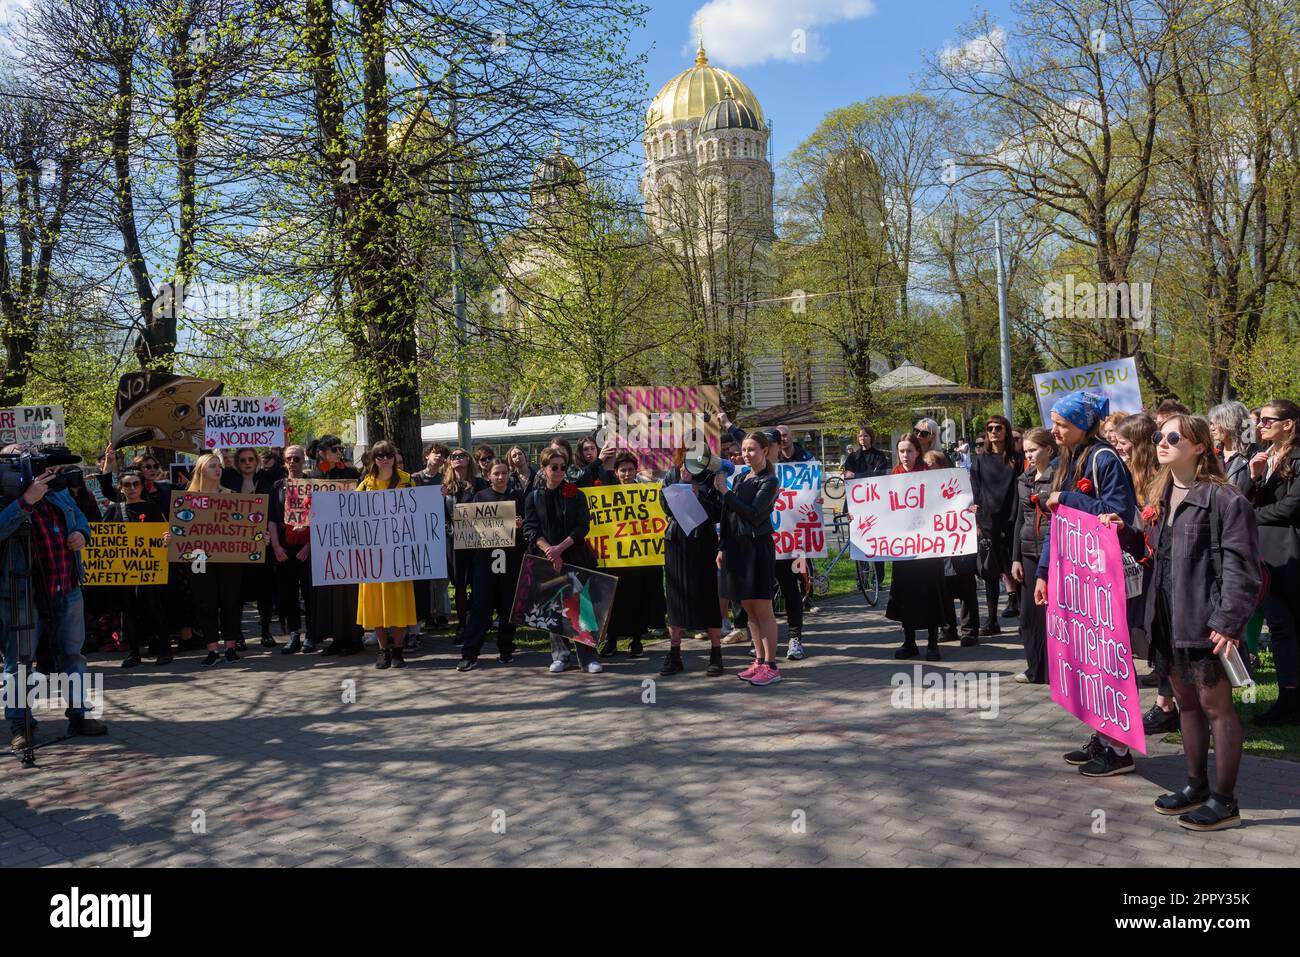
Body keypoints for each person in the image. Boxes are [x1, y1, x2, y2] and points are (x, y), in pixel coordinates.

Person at [1106, 414, 1260, 830]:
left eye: (1173, 437)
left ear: (1198, 446)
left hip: (1206, 621)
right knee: (1187, 705)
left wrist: (1228, 623)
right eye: (1159, 435)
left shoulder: (1224, 499)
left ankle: (1226, 802)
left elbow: (1243, 569)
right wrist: (1127, 531)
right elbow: (1158, 553)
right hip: (1167, 619)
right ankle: (1196, 786)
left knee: (1217, 709)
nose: (1162, 442)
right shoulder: (1162, 493)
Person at [1034, 391, 1139, 776]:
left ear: (1082, 425)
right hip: (1075, 573)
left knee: (1105, 658)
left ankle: (1119, 749)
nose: (1054, 430)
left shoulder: (1104, 459)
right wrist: (1044, 572)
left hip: (1101, 576)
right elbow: (1056, 525)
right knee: (1086, 660)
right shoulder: (1068, 459)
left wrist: (1067, 498)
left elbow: (1118, 513)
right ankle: (1102, 735)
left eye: (1062, 424)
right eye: (1055, 423)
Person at [1, 454, 108, 749]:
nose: (48, 472)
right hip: (21, 591)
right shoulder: (7, 492)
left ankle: (81, 714)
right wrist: (27, 501)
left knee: (73, 654)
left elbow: (81, 518)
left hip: (66, 584)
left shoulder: (58, 489)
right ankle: (20, 725)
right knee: (18, 662)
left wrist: (80, 534)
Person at [523, 449, 603, 674]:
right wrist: (549, 550)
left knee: (581, 607)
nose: (559, 471)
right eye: (554, 467)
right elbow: (531, 528)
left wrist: (560, 548)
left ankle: (588, 657)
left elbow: (582, 526)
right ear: (544, 469)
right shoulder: (533, 497)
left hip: (575, 555)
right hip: (547, 559)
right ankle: (561, 655)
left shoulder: (576, 494)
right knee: (553, 607)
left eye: (562, 467)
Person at [1246, 399, 1300, 725]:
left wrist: (1249, 517)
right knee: (1282, 625)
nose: (1261, 425)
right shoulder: (1264, 456)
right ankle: (1290, 698)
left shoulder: (1297, 456)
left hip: (1290, 551)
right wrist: (1254, 477)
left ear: (1289, 424)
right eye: (1261, 421)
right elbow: (1255, 498)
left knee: (1284, 625)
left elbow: (1291, 507)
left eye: (1268, 421)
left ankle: (1290, 700)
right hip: (1268, 552)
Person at [717, 433, 781, 685]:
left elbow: (753, 514)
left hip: (756, 548)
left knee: (762, 608)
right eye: (743, 450)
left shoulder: (769, 481)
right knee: (749, 609)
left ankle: (772, 665)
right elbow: (728, 516)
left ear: (765, 451)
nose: (746, 454)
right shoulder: (742, 477)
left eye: (751, 449)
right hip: (736, 548)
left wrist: (726, 492)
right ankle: (759, 660)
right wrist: (722, 547)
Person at [658, 459, 727, 677]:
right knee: (675, 598)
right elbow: (665, 507)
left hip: (703, 542)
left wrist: (699, 497)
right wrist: (681, 484)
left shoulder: (711, 476)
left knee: (708, 596)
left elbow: (719, 511)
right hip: (677, 542)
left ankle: (716, 653)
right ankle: (674, 653)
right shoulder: (672, 474)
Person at [1208, 401, 1264, 665]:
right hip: (1214, 534)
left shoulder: (1255, 455)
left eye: (1215, 422)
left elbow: (1250, 498)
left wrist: (1253, 477)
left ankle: (1249, 654)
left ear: (1229, 423)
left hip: (1243, 534)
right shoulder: (1213, 455)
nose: (1211, 428)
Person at [456, 461, 525, 671]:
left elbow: (528, 525)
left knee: (507, 608)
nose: (501, 477)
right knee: (480, 608)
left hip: (510, 562)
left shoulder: (518, 497)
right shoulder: (480, 497)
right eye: (496, 474)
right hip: (485, 562)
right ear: (489, 476)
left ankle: (506, 649)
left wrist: (520, 525)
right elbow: (468, 528)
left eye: (504, 473)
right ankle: (470, 653)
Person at [102, 468, 173, 667]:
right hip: (125, 569)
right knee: (128, 610)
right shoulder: (114, 510)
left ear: (142, 486)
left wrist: (167, 538)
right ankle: (133, 653)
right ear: (121, 488)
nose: (132, 488)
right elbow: (103, 537)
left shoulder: (152, 508)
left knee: (154, 606)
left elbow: (165, 532)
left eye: (136, 484)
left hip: (149, 568)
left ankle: (164, 650)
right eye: (127, 484)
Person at [356, 441, 417, 669]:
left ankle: (399, 649)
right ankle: (383, 650)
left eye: (388, 455)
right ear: (373, 458)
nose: (384, 459)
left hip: (399, 553)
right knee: (376, 604)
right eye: (379, 455)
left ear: (394, 456)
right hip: (373, 554)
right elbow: (350, 513)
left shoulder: (406, 479)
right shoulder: (366, 483)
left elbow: (419, 509)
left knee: (398, 602)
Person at [183, 453, 247, 668]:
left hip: (228, 556)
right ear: (202, 470)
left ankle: (230, 647)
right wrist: (172, 537)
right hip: (198, 557)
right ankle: (212, 649)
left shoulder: (232, 496)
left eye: (219, 466)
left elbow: (244, 528)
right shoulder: (187, 499)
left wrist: (258, 537)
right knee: (205, 601)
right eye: (212, 466)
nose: (218, 470)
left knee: (231, 601)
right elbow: (182, 529)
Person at [886, 434, 945, 661]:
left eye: (909, 451)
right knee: (905, 593)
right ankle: (909, 642)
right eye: (901, 451)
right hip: (904, 548)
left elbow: (944, 502)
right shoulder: (894, 476)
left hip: (928, 547)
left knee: (930, 593)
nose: (905, 455)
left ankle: (932, 643)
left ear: (917, 452)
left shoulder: (928, 475)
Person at [307, 436, 363, 656]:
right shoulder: (313, 477)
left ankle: (354, 639)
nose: (340, 451)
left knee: (349, 591)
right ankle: (337, 639)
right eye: (335, 449)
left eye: (341, 448)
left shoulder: (350, 475)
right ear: (322, 452)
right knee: (329, 592)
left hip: (349, 540)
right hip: (325, 542)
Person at [600, 452, 659, 658]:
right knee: (614, 600)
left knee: (638, 599)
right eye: (622, 470)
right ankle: (612, 640)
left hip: (639, 557)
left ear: (636, 471)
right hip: (615, 557)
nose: (627, 474)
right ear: (616, 473)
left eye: (630, 470)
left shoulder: (646, 492)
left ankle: (636, 640)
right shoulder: (606, 495)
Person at [970, 414, 1023, 633]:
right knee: (990, 574)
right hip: (988, 523)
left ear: (1006, 431)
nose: (993, 431)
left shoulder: (1017, 459)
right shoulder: (980, 460)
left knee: (1018, 572)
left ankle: (1024, 620)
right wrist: (976, 521)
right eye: (990, 428)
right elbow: (975, 491)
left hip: (1013, 522)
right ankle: (991, 620)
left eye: (998, 428)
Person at [1010, 428, 1056, 683]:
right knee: (1029, 616)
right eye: (1026, 450)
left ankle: (1054, 669)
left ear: (1048, 449)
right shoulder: (1023, 478)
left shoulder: (1059, 476)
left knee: (1051, 613)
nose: (1028, 454)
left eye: (1033, 449)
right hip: (1028, 550)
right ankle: (1034, 668)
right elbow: (1019, 518)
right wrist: (1015, 557)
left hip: (1053, 550)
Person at [223, 447, 279, 649]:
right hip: (236, 546)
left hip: (262, 543)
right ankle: (237, 635)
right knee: (236, 593)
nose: (247, 463)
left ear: (257, 461)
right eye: (243, 460)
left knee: (264, 591)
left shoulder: (266, 479)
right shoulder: (228, 479)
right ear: (237, 462)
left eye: (251, 459)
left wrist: (284, 432)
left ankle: (265, 631)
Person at [442, 448, 488, 640]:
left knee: (478, 584)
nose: (458, 459)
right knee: (459, 585)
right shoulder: (444, 488)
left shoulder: (481, 484)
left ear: (469, 460)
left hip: (479, 542)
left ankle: (477, 624)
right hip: (455, 542)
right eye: (454, 456)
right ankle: (462, 624)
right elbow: (441, 517)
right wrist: (453, 532)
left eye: (462, 456)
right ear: (450, 462)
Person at [271, 445, 314, 654]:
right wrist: (277, 547)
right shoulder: (278, 485)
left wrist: (309, 545)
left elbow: (322, 518)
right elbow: (271, 519)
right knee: (287, 593)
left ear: (304, 460)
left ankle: (312, 634)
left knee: (309, 592)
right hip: (284, 546)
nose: (293, 463)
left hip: (308, 546)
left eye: (297, 459)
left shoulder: (314, 485)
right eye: (289, 459)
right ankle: (294, 634)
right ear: (284, 461)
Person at [413, 443, 451, 632]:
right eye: (436, 453)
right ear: (427, 455)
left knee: (441, 576)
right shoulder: (415, 479)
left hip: (440, 531)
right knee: (424, 575)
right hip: (420, 533)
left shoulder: (446, 479)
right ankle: (427, 613)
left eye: (442, 455)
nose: (439, 457)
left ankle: (443, 614)